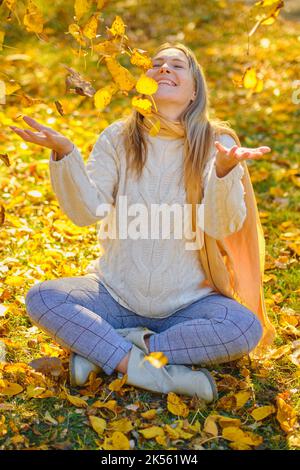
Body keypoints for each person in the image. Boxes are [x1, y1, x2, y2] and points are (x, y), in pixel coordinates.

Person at [10, 42, 274, 404]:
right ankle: (151, 368)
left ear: (195, 89)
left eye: (177, 65)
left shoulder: (217, 143)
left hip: (188, 304)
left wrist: (226, 171)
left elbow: (221, 224)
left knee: (244, 329)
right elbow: (87, 211)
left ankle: (110, 353)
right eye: (156, 64)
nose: (164, 68)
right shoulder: (118, 138)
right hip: (114, 295)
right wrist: (65, 153)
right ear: (144, 84)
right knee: (43, 298)